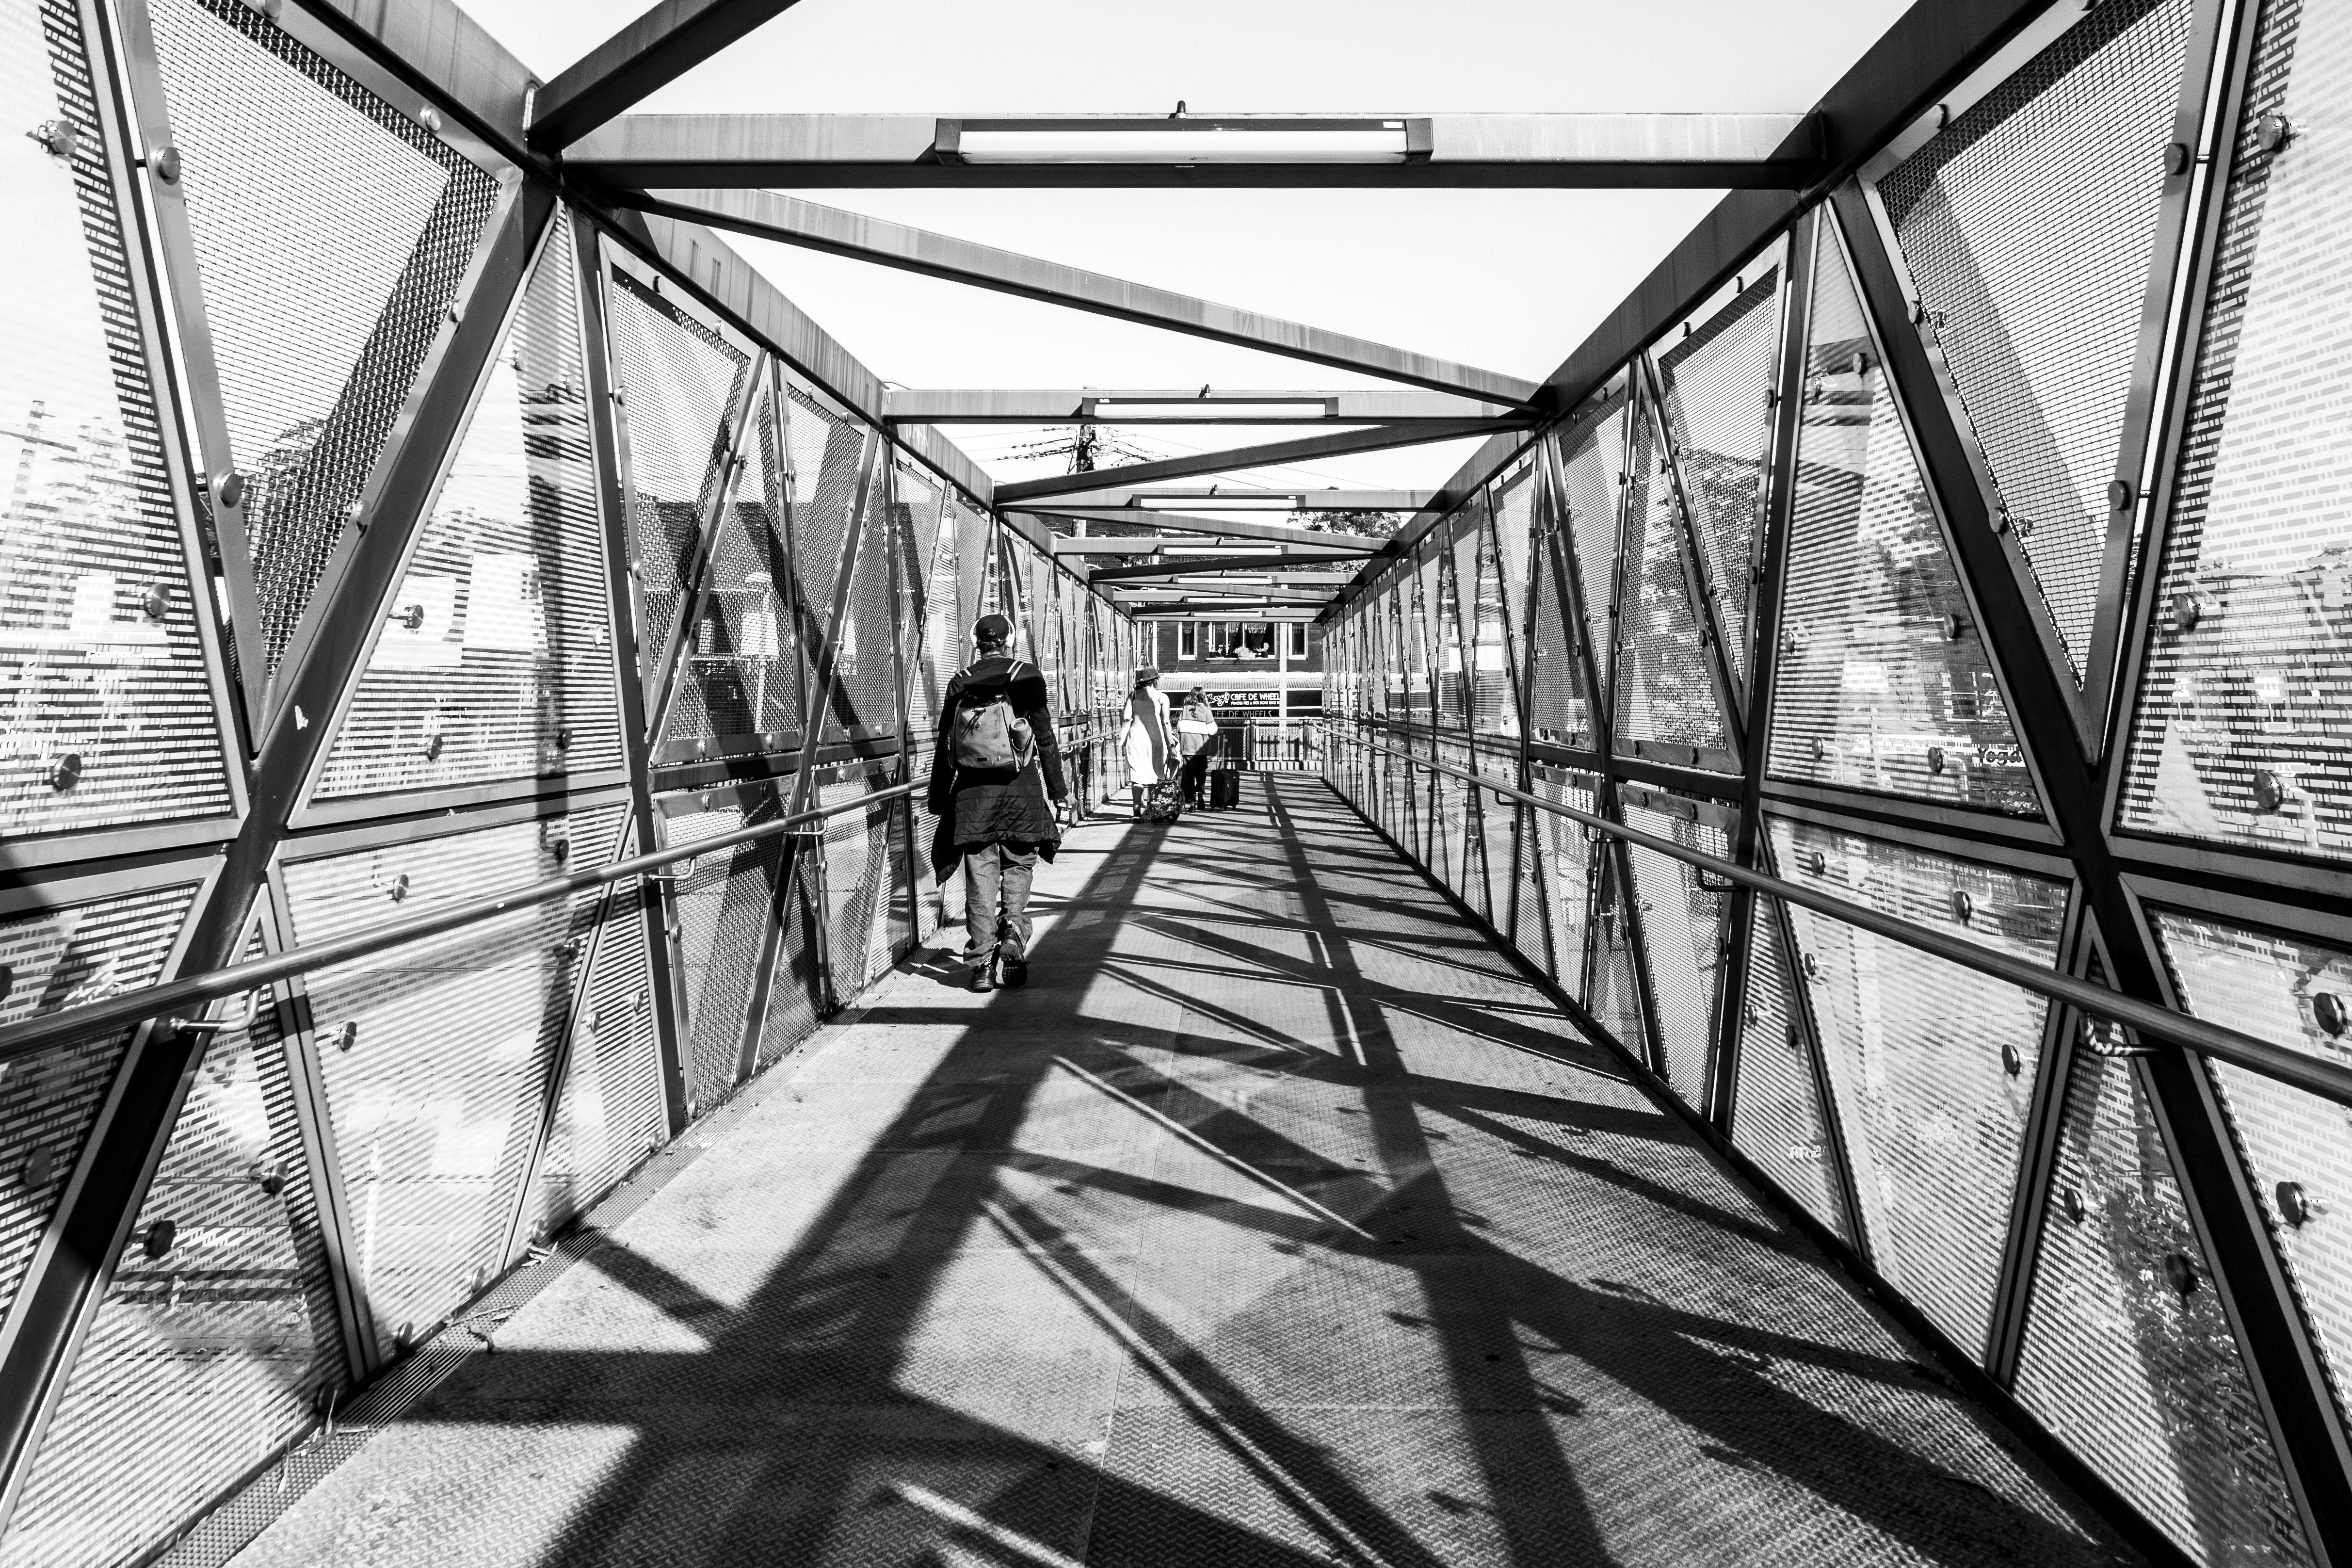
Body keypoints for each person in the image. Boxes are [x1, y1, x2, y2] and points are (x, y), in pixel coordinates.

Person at [927, 613, 1066, 992]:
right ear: (1011, 640)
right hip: (1021, 792)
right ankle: (1014, 932)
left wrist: (938, 799)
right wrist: (1059, 792)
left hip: (973, 799)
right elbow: (1046, 738)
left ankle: (981, 968)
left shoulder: (959, 683)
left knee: (980, 878)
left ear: (976, 642)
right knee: (1020, 865)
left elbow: (946, 746)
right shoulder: (1027, 676)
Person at [1124, 667, 1173, 819]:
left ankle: (1137, 811)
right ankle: (1152, 809)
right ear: (1155, 680)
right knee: (1154, 774)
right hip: (1154, 739)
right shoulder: (1162, 697)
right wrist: (1171, 744)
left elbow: (1126, 717)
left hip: (1135, 738)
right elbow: (1166, 723)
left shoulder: (1133, 696)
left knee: (1137, 776)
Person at [1175, 687, 1219, 808]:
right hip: (1201, 749)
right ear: (1203, 696)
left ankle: (1191, 802)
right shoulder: (1207, 711)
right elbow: (1213, 730)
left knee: (1188, 775)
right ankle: (1200, 795)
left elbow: (1179, 727)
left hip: (1188, 748)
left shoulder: (1185, 710)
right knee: (1201, 773)